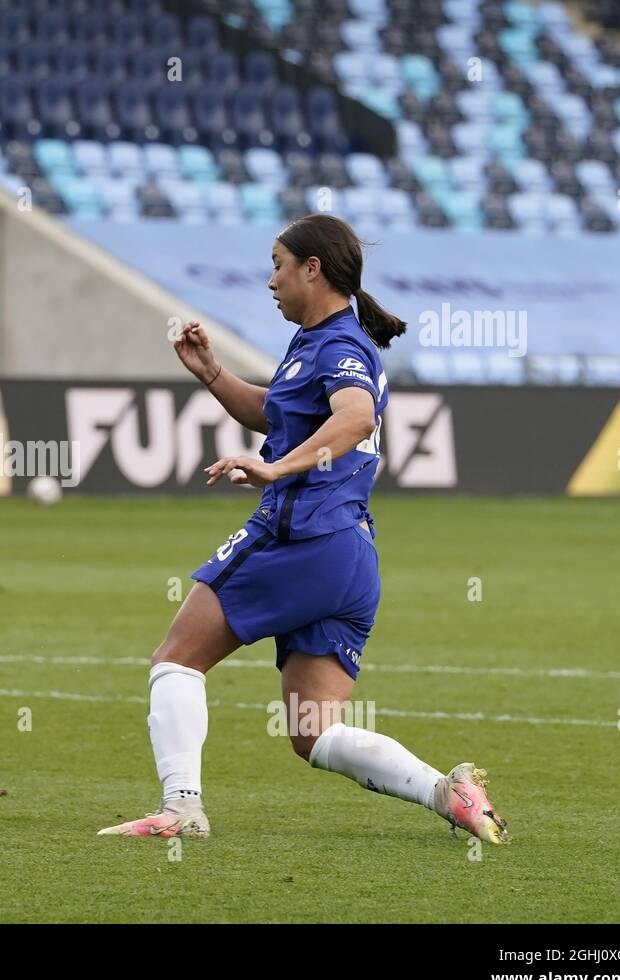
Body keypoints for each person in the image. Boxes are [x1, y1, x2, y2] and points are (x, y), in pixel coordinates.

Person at [98, 215, 508, 845]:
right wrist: (211, 373)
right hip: (347, 559)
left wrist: (275, 468)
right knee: (313, 732)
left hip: (299, 537)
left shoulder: (341, 347)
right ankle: (444, 793)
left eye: (278, 265)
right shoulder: (318, 342)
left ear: (311, 269)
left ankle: (181, 809)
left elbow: (353, 416)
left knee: (174, 662)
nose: (270, 280)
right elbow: (275, 411)